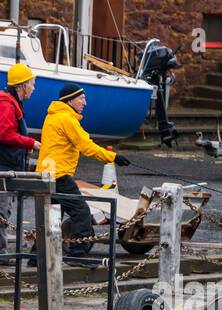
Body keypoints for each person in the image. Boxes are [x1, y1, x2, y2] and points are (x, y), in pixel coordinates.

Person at [36, 83, 128, 256]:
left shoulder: (53, 116)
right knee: (81, 212)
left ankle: (36, 257)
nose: (84, 102)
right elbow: (87, 147)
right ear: (70, 100)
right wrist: (113, 157)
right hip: (59, 175)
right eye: (81, 98)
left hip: (46, 174)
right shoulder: (67, 119)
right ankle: (79, 254)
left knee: (52, 217)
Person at [0, 63, 39, 257]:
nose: (33, 88)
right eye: (32, 84)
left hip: (7, 164)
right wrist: (29, 142)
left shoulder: (10, 102)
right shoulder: (7, 104)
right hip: (4, 167)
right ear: (22, 86)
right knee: (2, 210)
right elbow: (4, 134)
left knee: (3, 210)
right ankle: (1, 254)